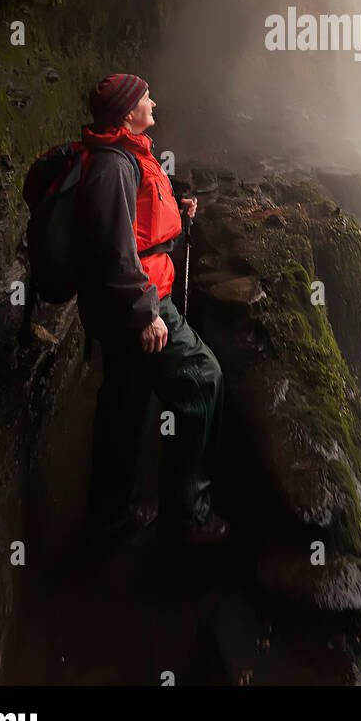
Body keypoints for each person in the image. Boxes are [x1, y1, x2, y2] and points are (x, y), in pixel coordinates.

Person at [76, 73, 229, 545]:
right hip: (138, 301)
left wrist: (180, 216)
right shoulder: (113, 166)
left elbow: (139, 228)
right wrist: (147, 314)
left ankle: (111, 517)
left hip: (125, 301)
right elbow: (115, 251)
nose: (154, 101)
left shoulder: (127, 153)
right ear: (127, 112)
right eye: (146, 98)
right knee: (203, 378)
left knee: (125, 402)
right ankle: (187, 517)